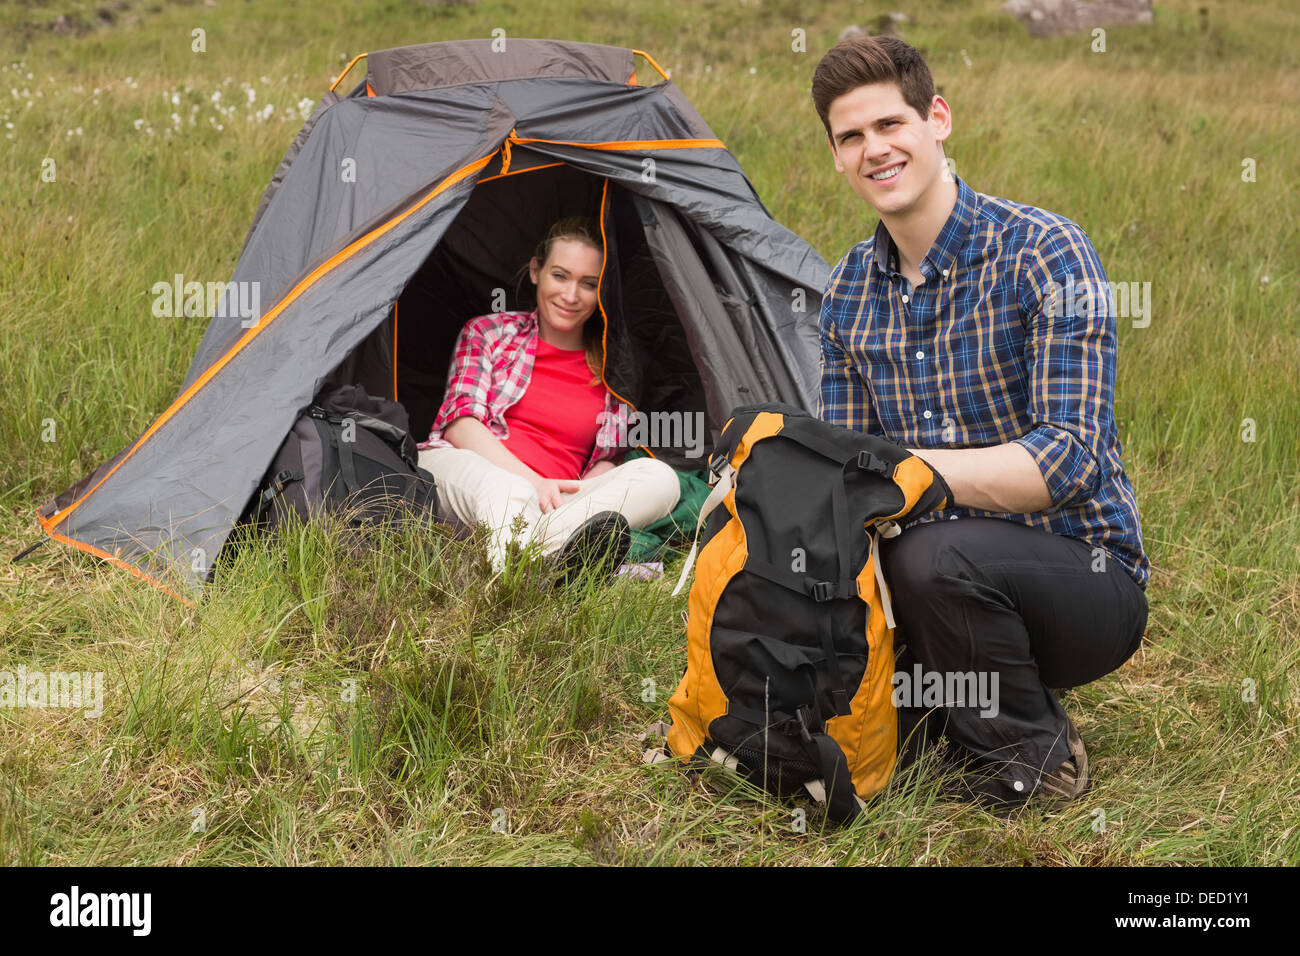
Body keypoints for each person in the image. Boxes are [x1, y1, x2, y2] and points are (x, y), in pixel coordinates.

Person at [810, 36, 1149, 808]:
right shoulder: (845, 297)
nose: (875, 150)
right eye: (851, 137)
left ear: (938, 118)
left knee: (933, 554)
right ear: (835, 156)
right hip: (927, 589)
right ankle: (952, 712)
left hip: (1084, 579)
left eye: (891, 124)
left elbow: (1069, 460)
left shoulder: (1048, 252)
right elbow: (853, 471)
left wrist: (906, 471)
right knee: (841, 710)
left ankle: (1038, 757)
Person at [417, 216, 681, 576]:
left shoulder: (613, 368)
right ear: (536, 271)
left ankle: (527, 564)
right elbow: (461, 427)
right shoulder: (489, 332)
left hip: (556, 501)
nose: (571, 296)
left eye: (588, 284)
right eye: (560, 276)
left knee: (660, 479)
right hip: (472, 469)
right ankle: (547, 566)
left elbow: (607, 458)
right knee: (507, 490)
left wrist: (576, 498)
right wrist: (533, 482)